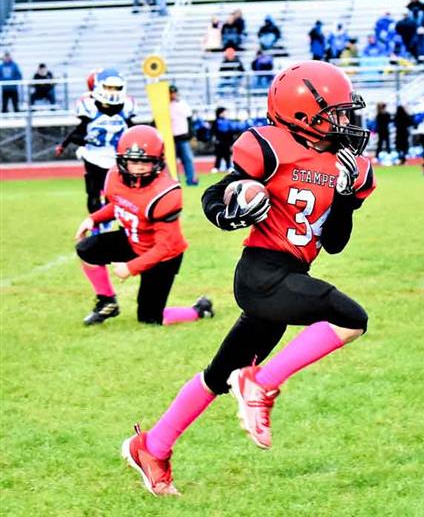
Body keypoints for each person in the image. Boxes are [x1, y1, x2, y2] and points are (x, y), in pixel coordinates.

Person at [121, 61, 375, 496]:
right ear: (304, 113)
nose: (348, 121)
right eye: (338, 112)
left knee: (218, 376)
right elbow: (215, 195)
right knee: (351, 317)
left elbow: (333, 243)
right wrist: (232, 208)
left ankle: (152, 446)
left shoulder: (347, 165)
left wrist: (348, 199)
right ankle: (260, 383)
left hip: (291, 277)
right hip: (261, 274)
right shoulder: (268, 147)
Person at [74, 125, 213, 327]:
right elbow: (121, 203)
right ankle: (107, 302)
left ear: (157, 161)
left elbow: (164, 247)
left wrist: (130, 268)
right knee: (86, 249)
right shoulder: (115, 177)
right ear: (123, 161)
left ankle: (199, 310)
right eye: (133, 161)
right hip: (133, 239)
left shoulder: (165, 193)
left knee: (150, 319)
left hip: (162, 257)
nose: (138, 166)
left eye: (145, 161)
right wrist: (94, 218)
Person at [56, 69, 135, 215]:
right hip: (94, 155)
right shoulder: (89, 107)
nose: (112, 92)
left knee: (115, 192)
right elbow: (79, 130)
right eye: (109, 88)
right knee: (93, 192)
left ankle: (111, 221)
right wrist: (66, 144)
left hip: (117, 157)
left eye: (116, 88)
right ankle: (96, 224)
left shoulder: (126, 108)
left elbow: (134, 130)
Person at [168, 85, 198, 186]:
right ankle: (174, 181)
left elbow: (189, 120)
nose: (173, 94)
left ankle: (191, 179)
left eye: (174, 92)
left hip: (183, 136)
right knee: (172, 161)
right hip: (170, 137)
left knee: (188, 159)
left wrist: (191, 134)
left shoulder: (182, 104)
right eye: (171, 92)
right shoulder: (164, 106)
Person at [211, 106, 235, 173]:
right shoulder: (216, 122)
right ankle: (216, 167)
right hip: (219, 141)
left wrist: (231, 142)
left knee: (227, 155)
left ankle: (229, 167)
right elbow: (213, 131)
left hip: (226, 141)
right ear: (220, 113)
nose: (225, 113)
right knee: (219, 155)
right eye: (224, 112)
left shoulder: (228, 122)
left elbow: (231, 132)